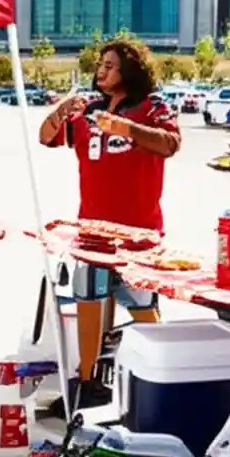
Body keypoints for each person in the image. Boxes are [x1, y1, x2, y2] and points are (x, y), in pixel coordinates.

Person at [38, 40, 180, 408]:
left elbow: (171, 143)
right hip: (92, 232)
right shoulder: (88, 110)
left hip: (139, 234)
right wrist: (60, 110)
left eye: (110, 65)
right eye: (100, 64)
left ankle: (169, 378)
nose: (101, 70)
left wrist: (126, 128)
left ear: (130, 71)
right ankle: (88, 381)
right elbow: (47, 137)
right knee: (89, 300)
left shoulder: (153, 106)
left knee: (141, 304)